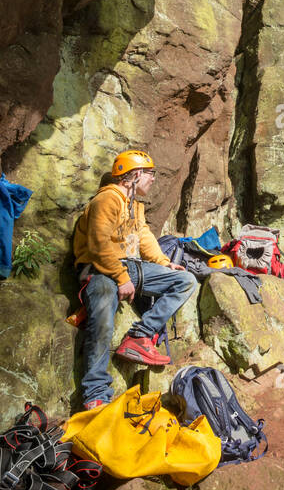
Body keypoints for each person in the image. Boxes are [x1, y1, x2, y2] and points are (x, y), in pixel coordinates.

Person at [73, 150, 197, 409]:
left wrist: (165, 263)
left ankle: (139, 336)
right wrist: (120, 278)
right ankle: (95, 392)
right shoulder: (107, 200)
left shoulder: (134, 205)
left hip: (130, 267)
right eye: (151, 174)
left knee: (184, 280)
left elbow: (143, 237)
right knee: (104, 305)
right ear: (136, 174)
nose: (153, 180)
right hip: (99, 269)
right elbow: (97, 246)